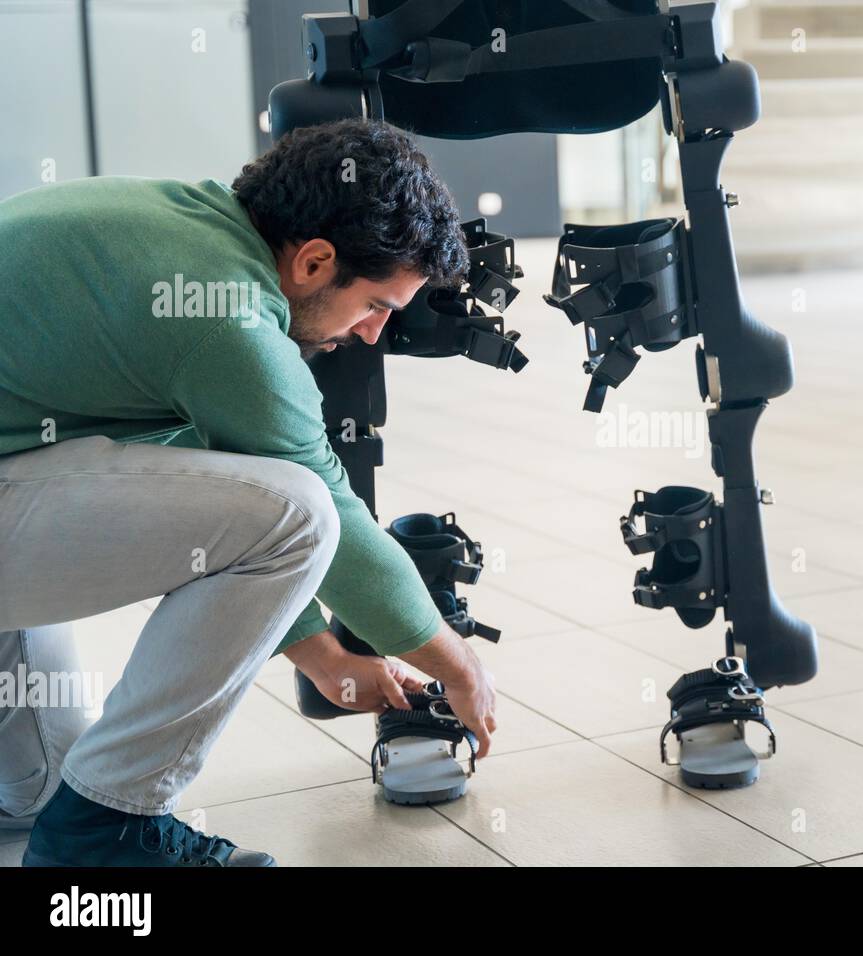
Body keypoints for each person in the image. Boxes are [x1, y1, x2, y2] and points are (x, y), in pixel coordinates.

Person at [0, 118, 496, 867]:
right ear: (315, 261)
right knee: (301, 512)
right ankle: (107, 832)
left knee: (38, 792)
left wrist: (324, 657)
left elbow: (200, 473)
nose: (371, 334)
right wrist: (460, 668)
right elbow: (320, 517)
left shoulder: (184, 231)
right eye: (377, 305)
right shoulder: (226, 320)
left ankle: (58, 812)